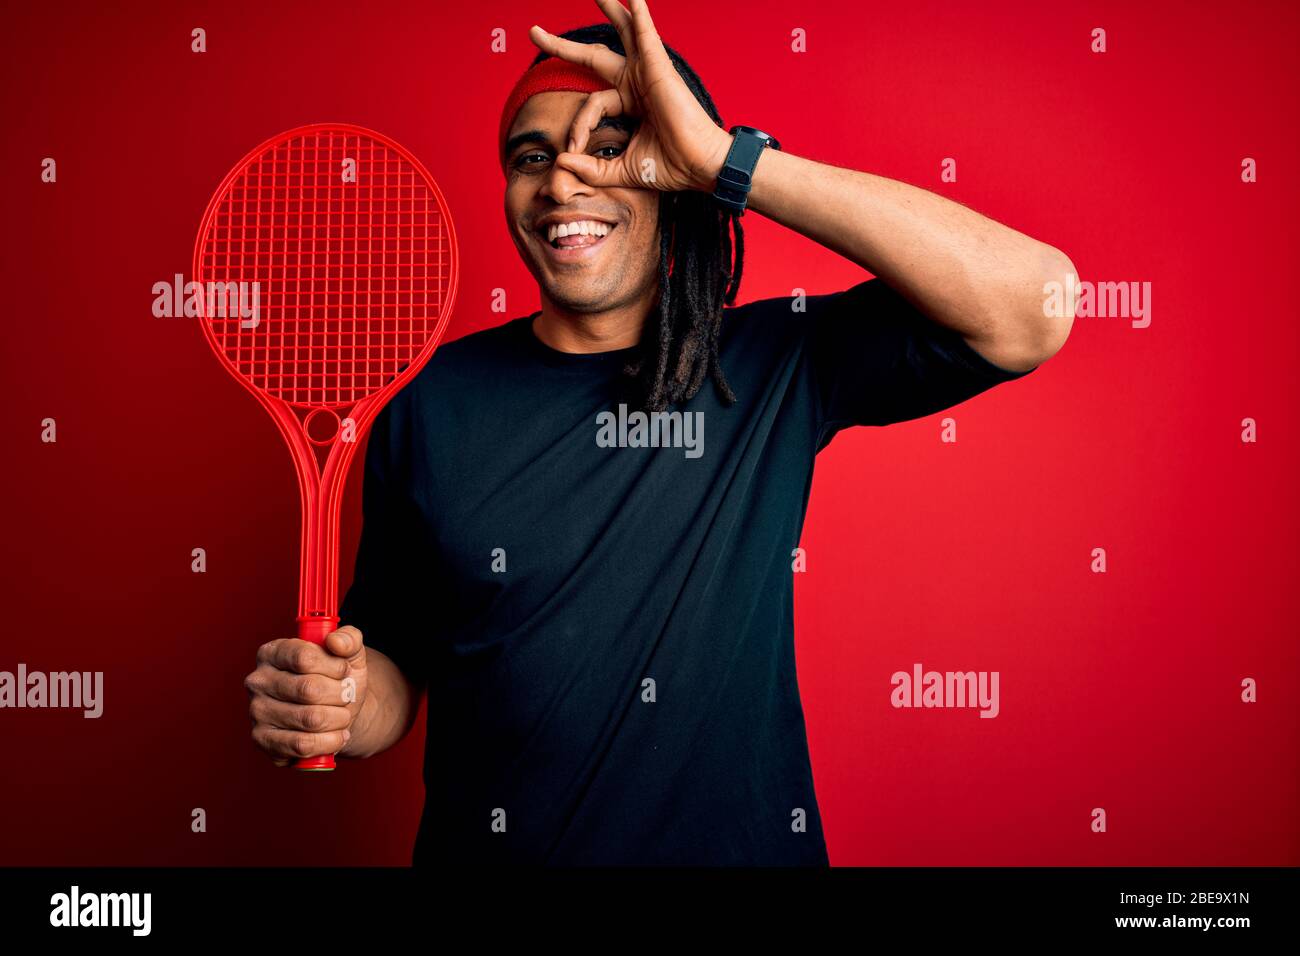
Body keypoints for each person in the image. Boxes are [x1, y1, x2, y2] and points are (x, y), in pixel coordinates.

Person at [243, 0, 1075, 865]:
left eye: (609, 147)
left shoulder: (766, 366)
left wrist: (723, 157)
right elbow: (394, 672)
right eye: (532, 157)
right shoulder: (429, 399)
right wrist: (338, 700)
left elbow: (1037, 307)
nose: (563, 181)